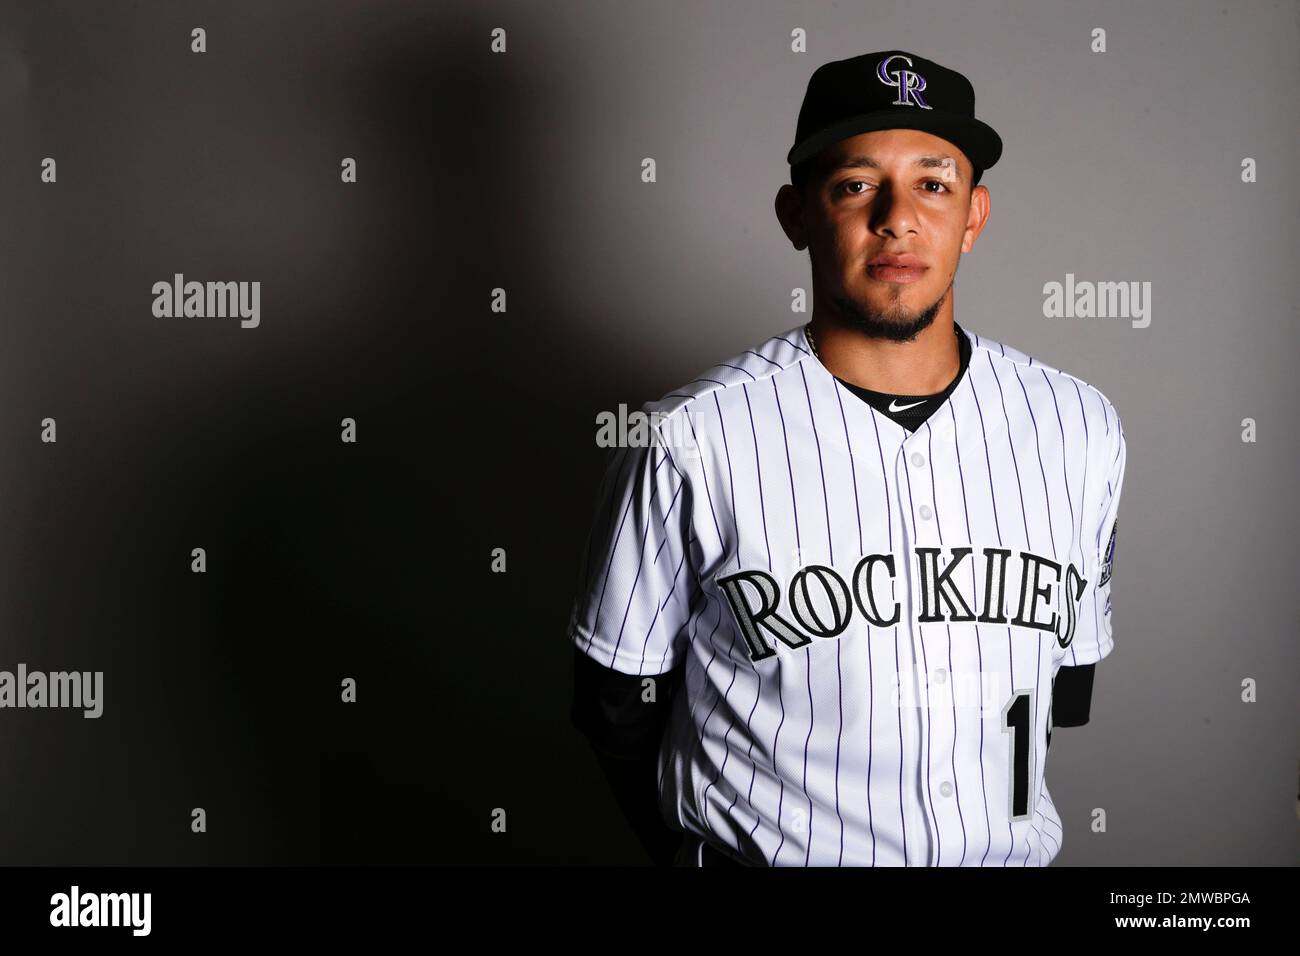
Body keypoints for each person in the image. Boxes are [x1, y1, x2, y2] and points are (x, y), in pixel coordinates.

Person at [568, 50, 1126, 867]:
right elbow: (616, 703)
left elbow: (1063, 692)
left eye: (934, 184)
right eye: (857, 184)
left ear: (974, 215)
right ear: (797, 214)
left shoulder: (1080, 426)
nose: (898, 218)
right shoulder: (690, 437)